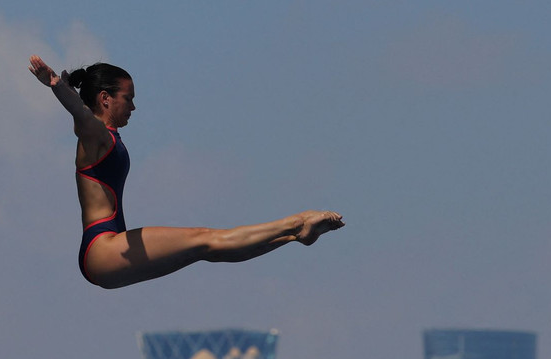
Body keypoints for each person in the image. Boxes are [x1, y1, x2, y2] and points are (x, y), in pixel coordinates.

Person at [28, 55, 344, 289]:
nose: (134, 108)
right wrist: (57, 86)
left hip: (109, 250)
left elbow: (82, 110)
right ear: (105, 99)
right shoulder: (95, 135)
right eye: (128, 99)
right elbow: (80, 114)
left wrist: (69, 90)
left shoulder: (106, 136)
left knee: (206, 248)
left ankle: (294, 234)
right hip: (103, 249)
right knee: (204, 239)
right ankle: (296, 222)